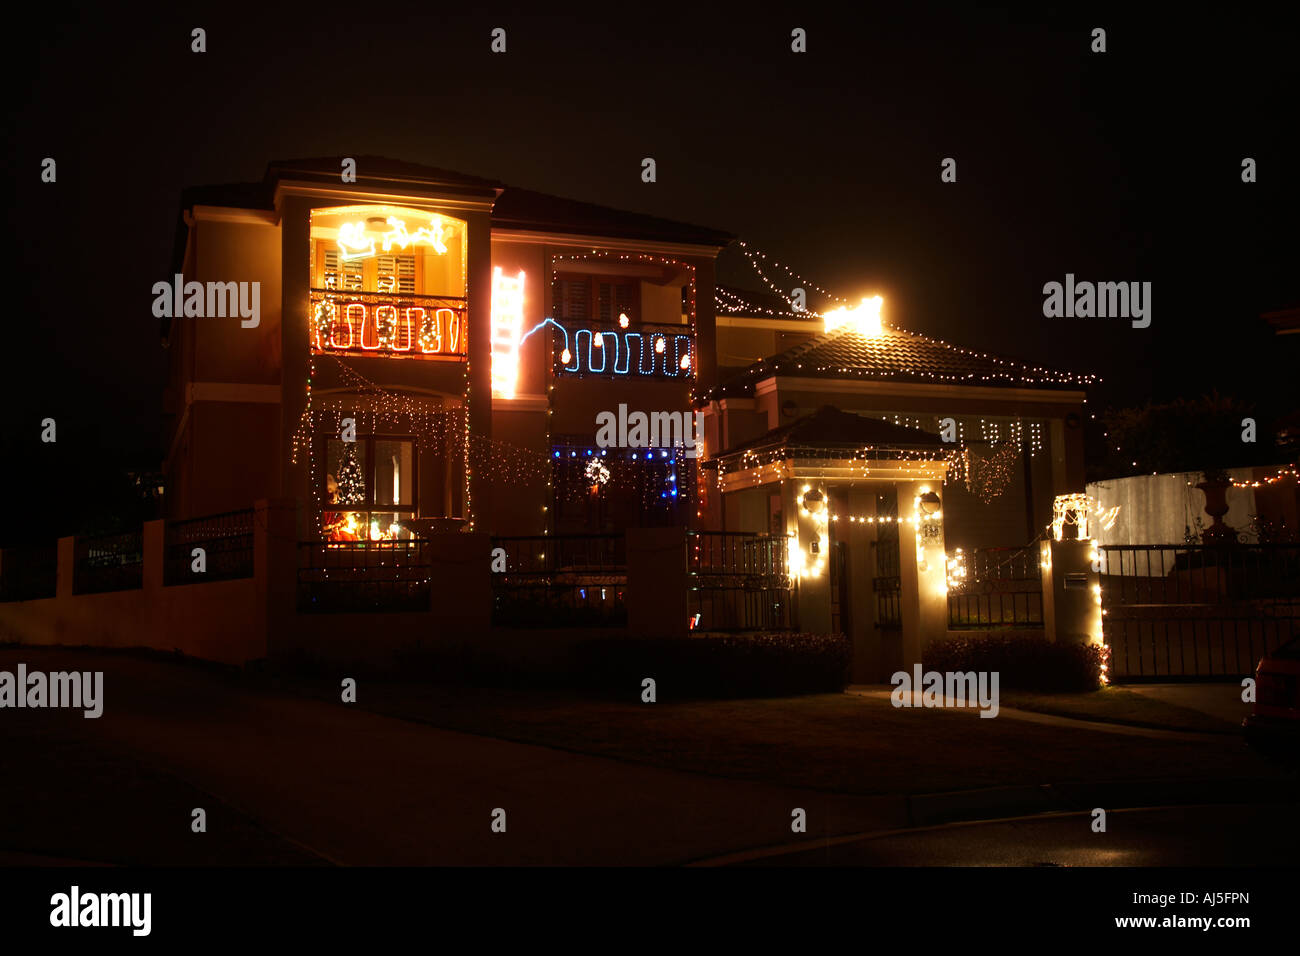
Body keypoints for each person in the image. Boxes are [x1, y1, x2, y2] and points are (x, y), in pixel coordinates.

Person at [322, 475, 358, 541]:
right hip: (325, 536)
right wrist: (334, 526)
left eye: (335, 493)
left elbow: (334, 522)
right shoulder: (327, 508)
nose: (333, 497)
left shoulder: (333, 508)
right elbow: (326, 525)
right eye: (330, 494)